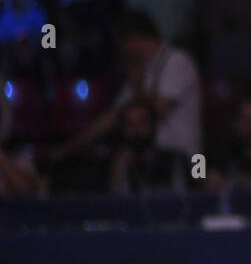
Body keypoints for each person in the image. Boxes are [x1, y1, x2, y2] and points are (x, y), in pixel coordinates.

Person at [51, 10, 202, 163]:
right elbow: (112, 116)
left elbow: (157, 109)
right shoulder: (141, 70)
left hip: (181, 159)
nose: (121, 51)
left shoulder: (177, 61)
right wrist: (66, 149)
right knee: (121, 159)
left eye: (121, 43)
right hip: (149, 160)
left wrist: (137, 85)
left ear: (132, 39)